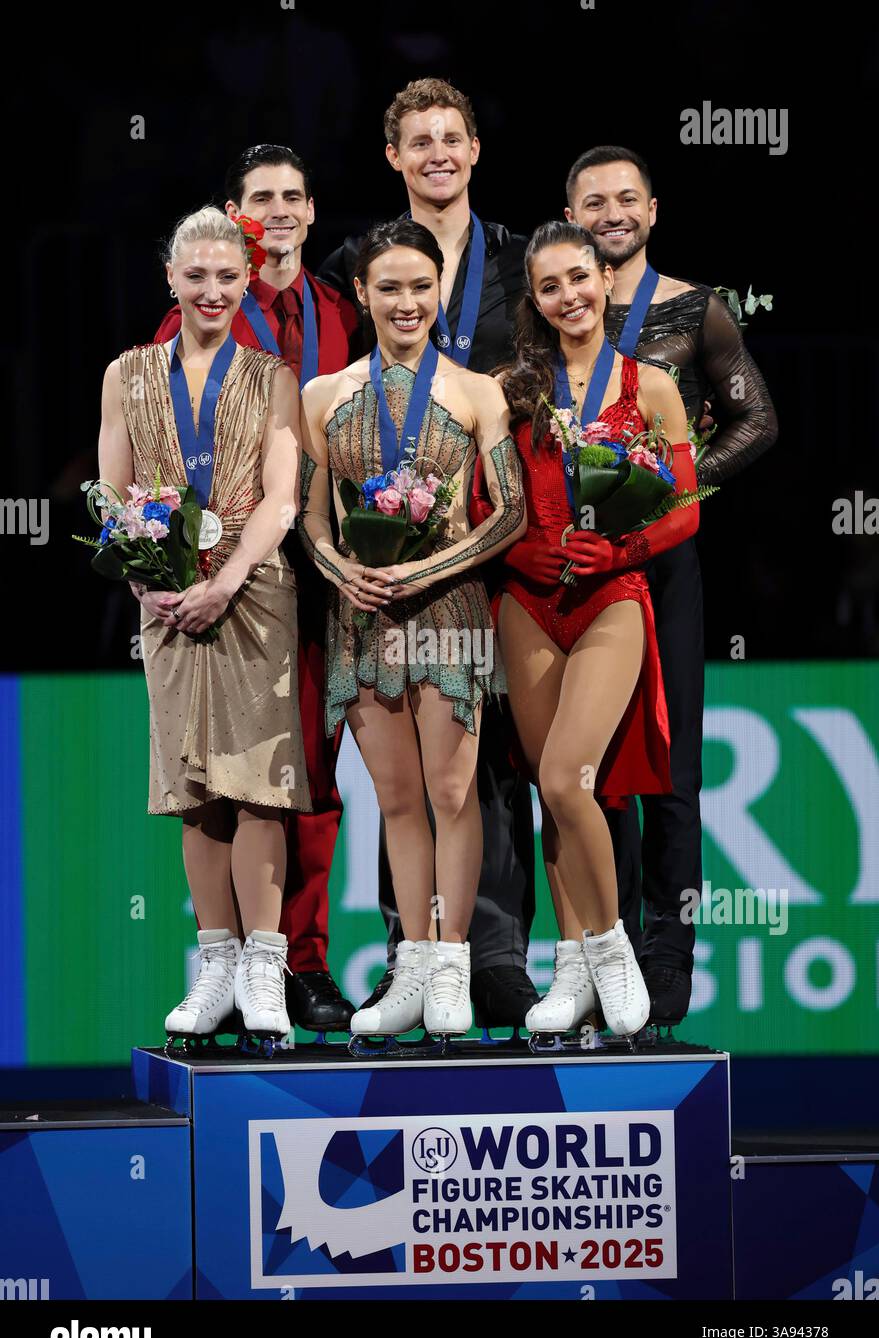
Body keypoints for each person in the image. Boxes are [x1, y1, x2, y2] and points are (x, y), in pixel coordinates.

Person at [318, 77, 537, 1029]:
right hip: (361, 613)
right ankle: (411, 962)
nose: (407, 301)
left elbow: (513, 512)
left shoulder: (479, 388)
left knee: (458, 792)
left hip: (449, 608)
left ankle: (456, 965)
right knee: (397, 797)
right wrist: (341, 570)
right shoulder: (322, 393)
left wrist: (425, 569)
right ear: (361, 292)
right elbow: (309, 516)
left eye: (420, 288)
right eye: (389, 289)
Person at [565, 146, 778, 1024]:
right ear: (569, 215)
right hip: (571, 568)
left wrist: (674, 492)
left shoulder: (697, 309)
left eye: (625, 199)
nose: (610, 212)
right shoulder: (553, 316)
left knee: (671, 772)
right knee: (590, 772)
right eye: (592, 201)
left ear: (651, 210)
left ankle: (667, 956)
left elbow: (756, 419)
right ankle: (599, 951)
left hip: (662, 565)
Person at [156, 146, 359, 1037]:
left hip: (332, 566)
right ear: (234, 213)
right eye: (259, 198)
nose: (276, 210)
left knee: (303, 775)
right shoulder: (186, 329)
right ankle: (226, 959)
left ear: (311, 211)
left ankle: (299, 963)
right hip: (222, 578)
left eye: (291, 196)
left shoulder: (341, 312)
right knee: (215, 780)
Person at [102, 206, 311, 1046]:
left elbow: (284, 498)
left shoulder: (271, 377)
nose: (214, 290)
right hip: (166, 602)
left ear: (246, 281)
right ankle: (214, 960)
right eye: (197, 277)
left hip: (252, 593)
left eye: (228, 276)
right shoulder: (125, 373)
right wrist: (147, 582)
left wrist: (224, 580)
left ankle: (266, 966)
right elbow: (112, 497)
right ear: (171, 281)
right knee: (194, 790)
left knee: (259, 784)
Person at [495, 221, 699, 1038]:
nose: (568, 296)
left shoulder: (650, 384)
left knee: (569, 781)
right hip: (527, 601)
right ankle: (570, 967)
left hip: (612, 596)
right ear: (536, 302)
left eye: (579, 278)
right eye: (549, 287)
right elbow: (491, 497)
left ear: (604, 281)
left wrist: (622, 546)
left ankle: (612, 951)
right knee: (550, 791)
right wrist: (522, 548)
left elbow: (684, 507)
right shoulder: (513, 389)